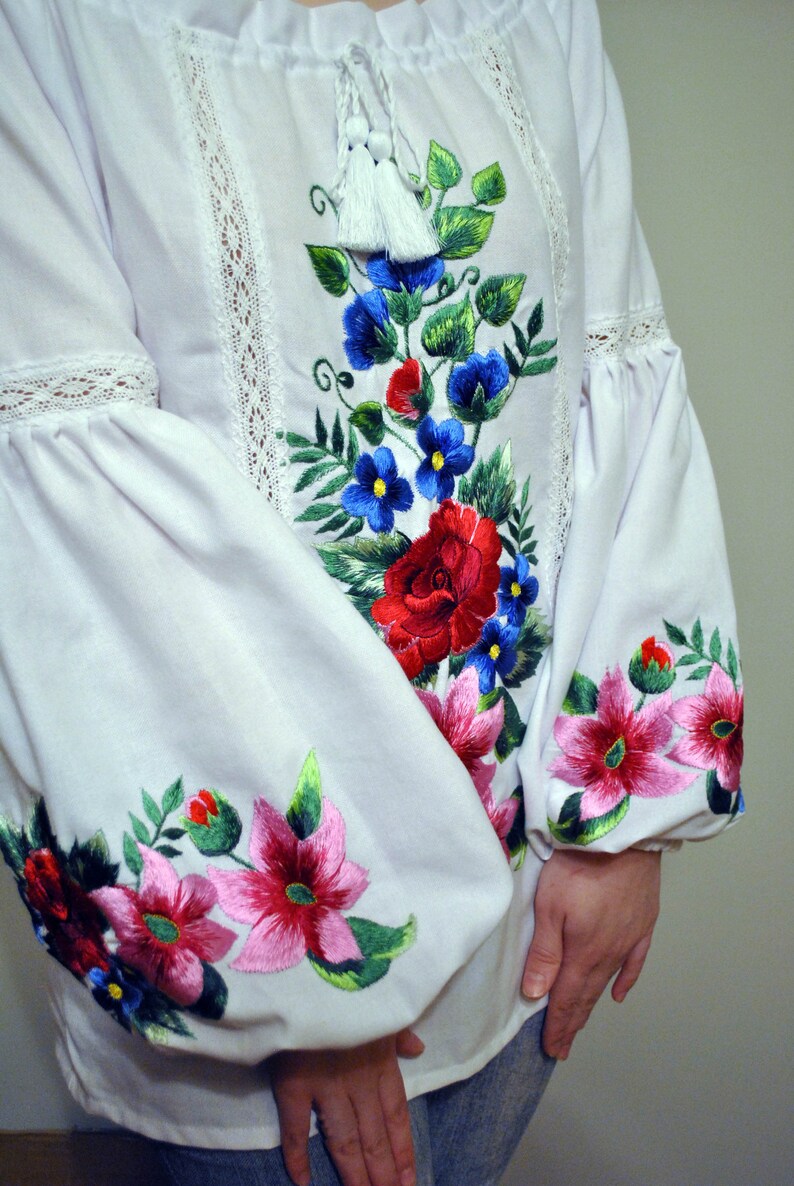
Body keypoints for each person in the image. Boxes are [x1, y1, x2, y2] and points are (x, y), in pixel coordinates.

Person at [0, 1, 744, 1184]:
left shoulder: (539, 19)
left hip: (520, 908)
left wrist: (623, 822)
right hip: (253, 967)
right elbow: (74, 526)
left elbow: (613, 370)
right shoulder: (56, 30)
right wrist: (305, 980)